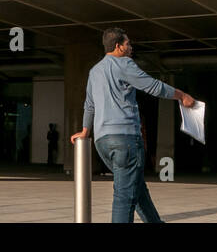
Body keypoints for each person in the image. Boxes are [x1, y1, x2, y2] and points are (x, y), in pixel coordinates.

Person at [70, 27, 196, 223]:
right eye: (128, 44)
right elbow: (153, 86)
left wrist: (86, 131)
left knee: (136, 189)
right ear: (118, 46)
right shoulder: (124, 63)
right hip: (125, 139)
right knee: (124, 197)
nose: (131, 47)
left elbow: (89, 104)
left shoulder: (94, 71)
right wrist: (182, 95)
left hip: (103, 142)